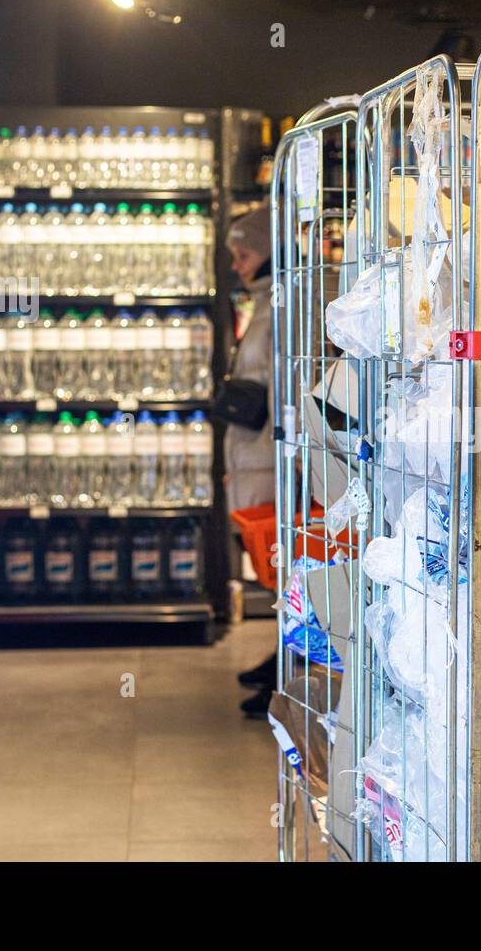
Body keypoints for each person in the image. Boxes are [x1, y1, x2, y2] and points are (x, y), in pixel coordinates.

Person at [223, 207, 278, 718]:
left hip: (271, 461)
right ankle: (286, 656)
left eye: (245, 253)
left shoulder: (284, 302)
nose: (238, 265)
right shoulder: (261, 301)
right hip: (253, 455)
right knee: (273, 566)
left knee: (283, 563)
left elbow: (288, 386)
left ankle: (291, 665)